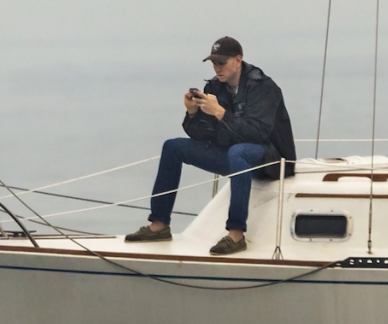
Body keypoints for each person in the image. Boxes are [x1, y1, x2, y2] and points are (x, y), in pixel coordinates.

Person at [126, 37, 296, 255]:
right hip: (234, 155)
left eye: (222, 63)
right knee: (172, 147)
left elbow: (258, 133)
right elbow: (205, 135)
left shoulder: (263, 87)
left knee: (239, 152)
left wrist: (221, 113)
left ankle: (236, 234)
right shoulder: (215, 87)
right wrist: (193, 113)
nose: (217, 68)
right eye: (214, 63)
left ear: (238, 60)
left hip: (271, 158)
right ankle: (158, 225)